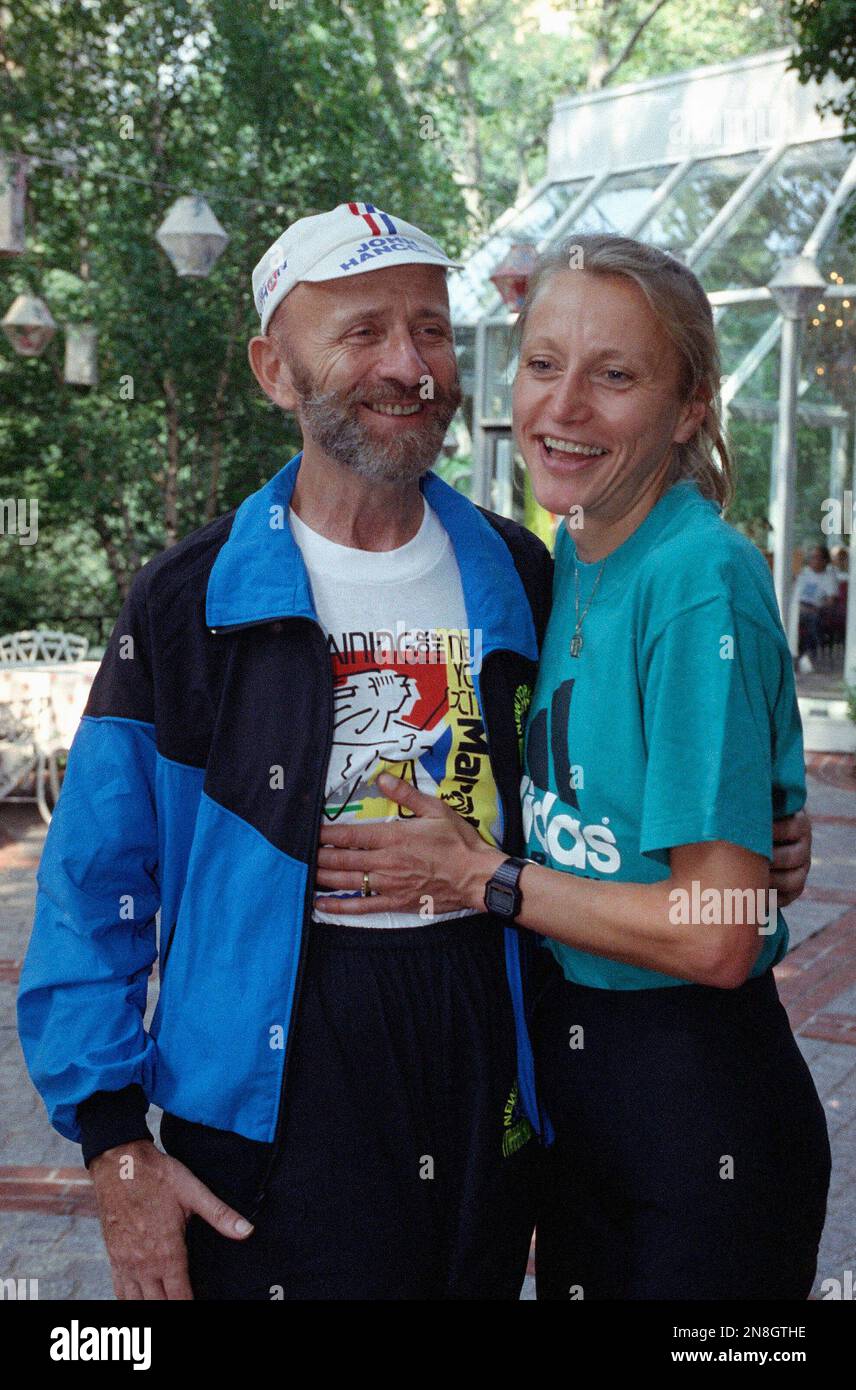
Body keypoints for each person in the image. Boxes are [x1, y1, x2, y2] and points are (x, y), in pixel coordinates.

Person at [17, 203, 556, 1300]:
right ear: (276, 368)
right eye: (362, 332)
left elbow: (601, 794)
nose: (410, 366)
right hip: (270, 1095)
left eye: (432, 330)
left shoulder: (521, 573)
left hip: (484, 1058)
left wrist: (745, 845)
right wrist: (117, 1143)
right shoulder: (187, 599)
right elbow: (94, 884)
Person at [315, 233, 830, 1300]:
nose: (564, 409)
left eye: (615, 375)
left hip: (697, 1111)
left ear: (688, 407)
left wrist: (480, 879)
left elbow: (721, 932)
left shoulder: (693, 581)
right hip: (579, 1093)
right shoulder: (564, 562)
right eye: (543, 365)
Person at [790, 544, 840, 671]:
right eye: (812, 557)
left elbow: (831, 601)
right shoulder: (804, 573)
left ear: (825, 560)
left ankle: (807, 655)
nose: (813, 560)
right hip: (796, 606)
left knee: (811, 619)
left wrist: (817, 608)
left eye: (817, 557)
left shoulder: (829, 576)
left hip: (815, 610)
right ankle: (795, 656)